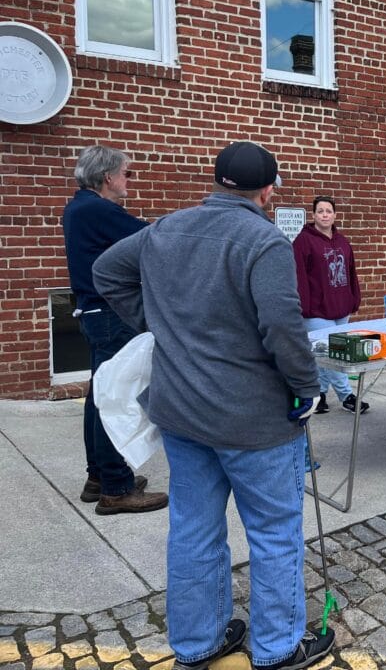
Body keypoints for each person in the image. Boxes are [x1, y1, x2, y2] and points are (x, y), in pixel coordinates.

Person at [93, 141, 334, 670]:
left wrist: (158, 323)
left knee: (194, 530)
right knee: (274, 533)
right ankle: (276, 649)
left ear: (217, 182)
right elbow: (283, 328)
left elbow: (106, 272)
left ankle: (198, 644)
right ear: (267, 191)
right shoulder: (263, 240)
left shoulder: (164, 229)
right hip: (255, 422)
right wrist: (307, 387)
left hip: (183, 413)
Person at [61, 145, 168, 515]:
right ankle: (116, 488)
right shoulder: (98, 209)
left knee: (100, 394)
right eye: (127, 173)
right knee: (117, 397)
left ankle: (99, 476)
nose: (129, 180)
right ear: (108, 176)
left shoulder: (79, 207)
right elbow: (150, 237)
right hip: (110, 313)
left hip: (93, 312)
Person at [293, 195, 367, 415]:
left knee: (324, 354)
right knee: (336, 352)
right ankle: (347, 396)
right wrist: (303, 306)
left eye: (328, 211)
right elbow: (297, 276)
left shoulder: (342, 241)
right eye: (320, 211)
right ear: (313, 215)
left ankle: (320, 394)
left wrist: (354, 298)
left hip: (340, 307)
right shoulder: (303, 241)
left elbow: (351, 272)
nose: (324, 215)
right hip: (316, 310)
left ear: (335, 215)